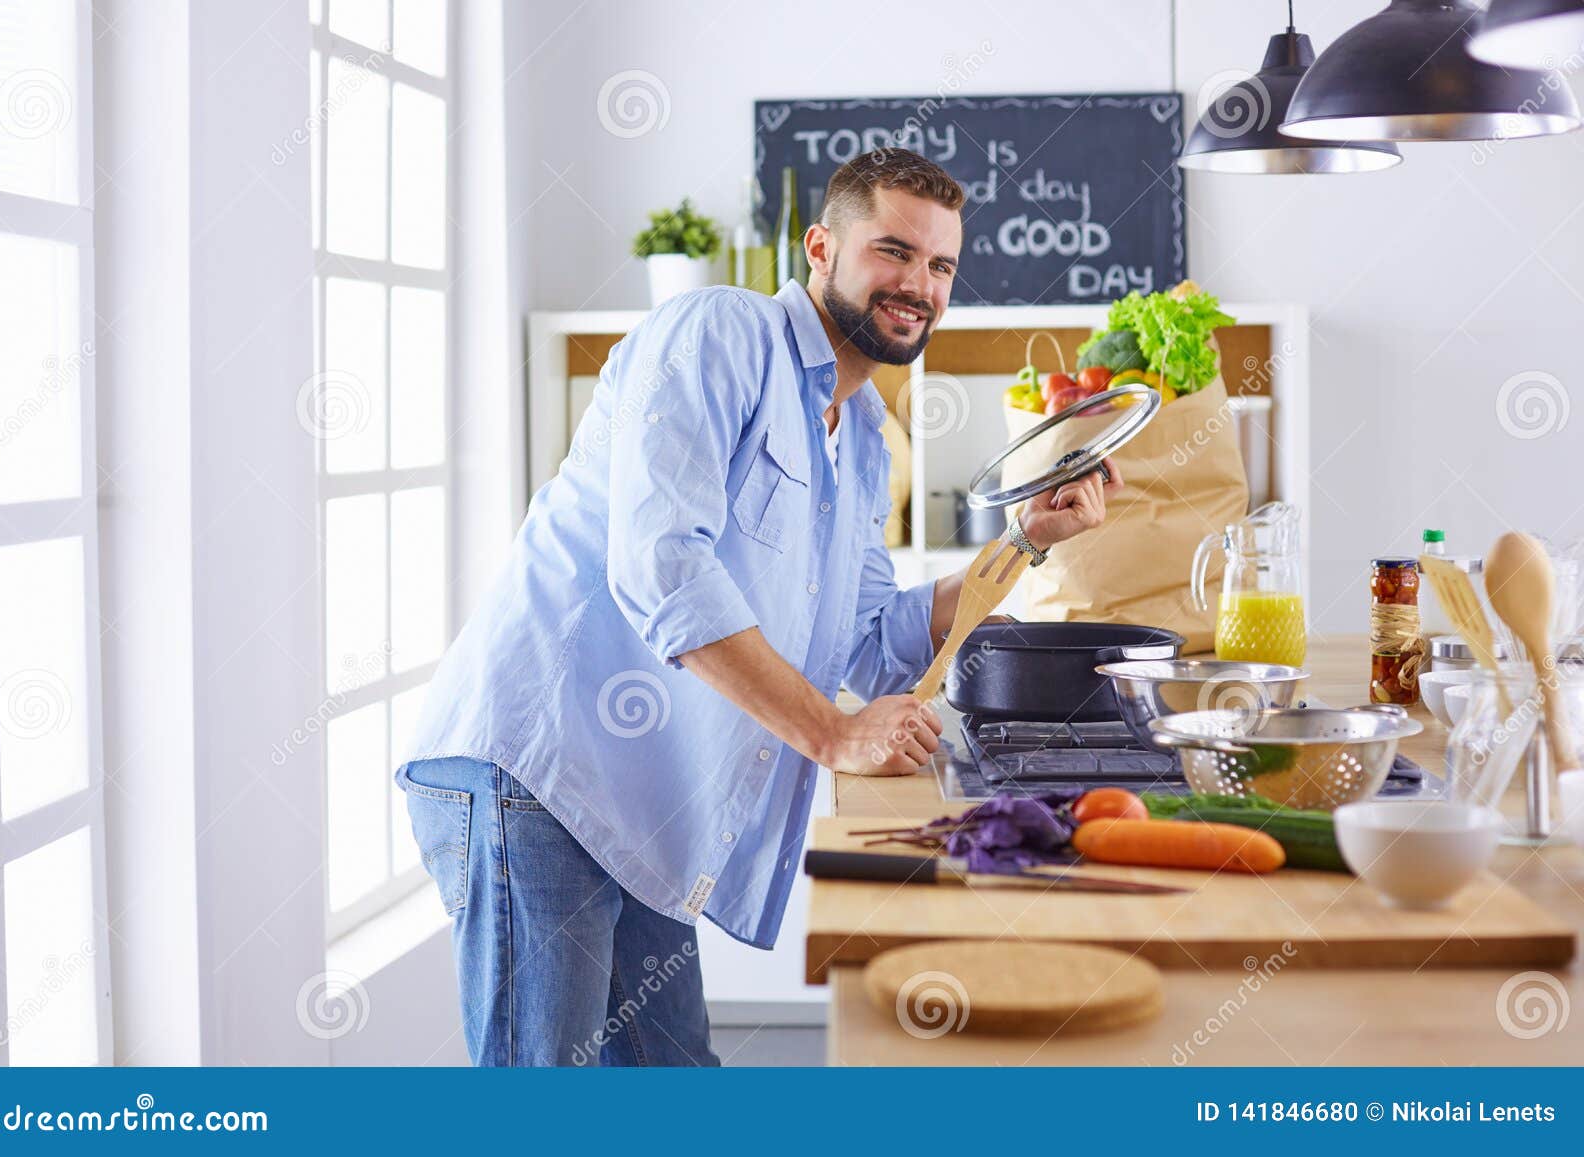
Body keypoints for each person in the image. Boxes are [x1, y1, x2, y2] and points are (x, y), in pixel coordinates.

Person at [394, 148, 1121, 1066]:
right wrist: (834, 734)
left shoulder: (863, 436)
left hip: (637, 809)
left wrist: (1026, 538)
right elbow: (663, 566)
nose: (919, 286)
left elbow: (871, 639)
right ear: (820, 248)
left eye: (941, 265)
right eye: (893, 251)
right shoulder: (720, 334)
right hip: (540, 771)